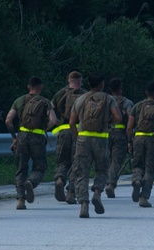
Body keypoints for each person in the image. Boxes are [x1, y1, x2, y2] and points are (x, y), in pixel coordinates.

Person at [67, 73, 122, 218]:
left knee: (81, 172)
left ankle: (83, 204)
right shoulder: (108, 98)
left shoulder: (80, 99)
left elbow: (71, 122)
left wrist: (77, 136)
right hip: (101, 139)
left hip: (83, 139)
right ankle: (97, 192)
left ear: (89, 84)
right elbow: (118, 117)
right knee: (102, 170)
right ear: (101, 85)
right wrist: (106, 123)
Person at [4, 76, 57, 210]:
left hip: (22, 136)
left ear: (29, 86)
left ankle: (21, 200)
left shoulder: (19, 100)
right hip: (38, 138)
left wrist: (14, 138)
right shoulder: (45, 102)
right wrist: (43, 128)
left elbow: (8, 120)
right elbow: (53, 120)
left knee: (21, 168)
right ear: (41, 87)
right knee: (40, 167)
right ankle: (31, 182)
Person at [51, 71, 86, 203]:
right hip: (79, 132)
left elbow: (50, 109)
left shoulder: (60, 94)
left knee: (62, 160)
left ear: (68, 79)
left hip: (63, 131)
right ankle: (71, 192)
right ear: (80, 80)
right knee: (77, 162)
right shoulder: (85, 95)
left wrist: (55, 123)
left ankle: (60, 178)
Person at [127, 82, 154, 208]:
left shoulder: (137, 106)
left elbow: (130, 127)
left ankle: (136, 180)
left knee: (137, 165)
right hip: (153, 139)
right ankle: (144, 197)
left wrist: (129, 141)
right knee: (150, 169)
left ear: (146, 92)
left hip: (138, 138)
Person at [105, 78, 133, 199]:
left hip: (105, 133)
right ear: (121, 88)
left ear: (110, 89)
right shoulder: (127, 103)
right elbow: (130, 121)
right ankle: (111, 183)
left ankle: (104, 181)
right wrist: (129, 140)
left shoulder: (104, 100)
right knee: (116, 160)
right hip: (120, 134)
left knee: (107, 159)